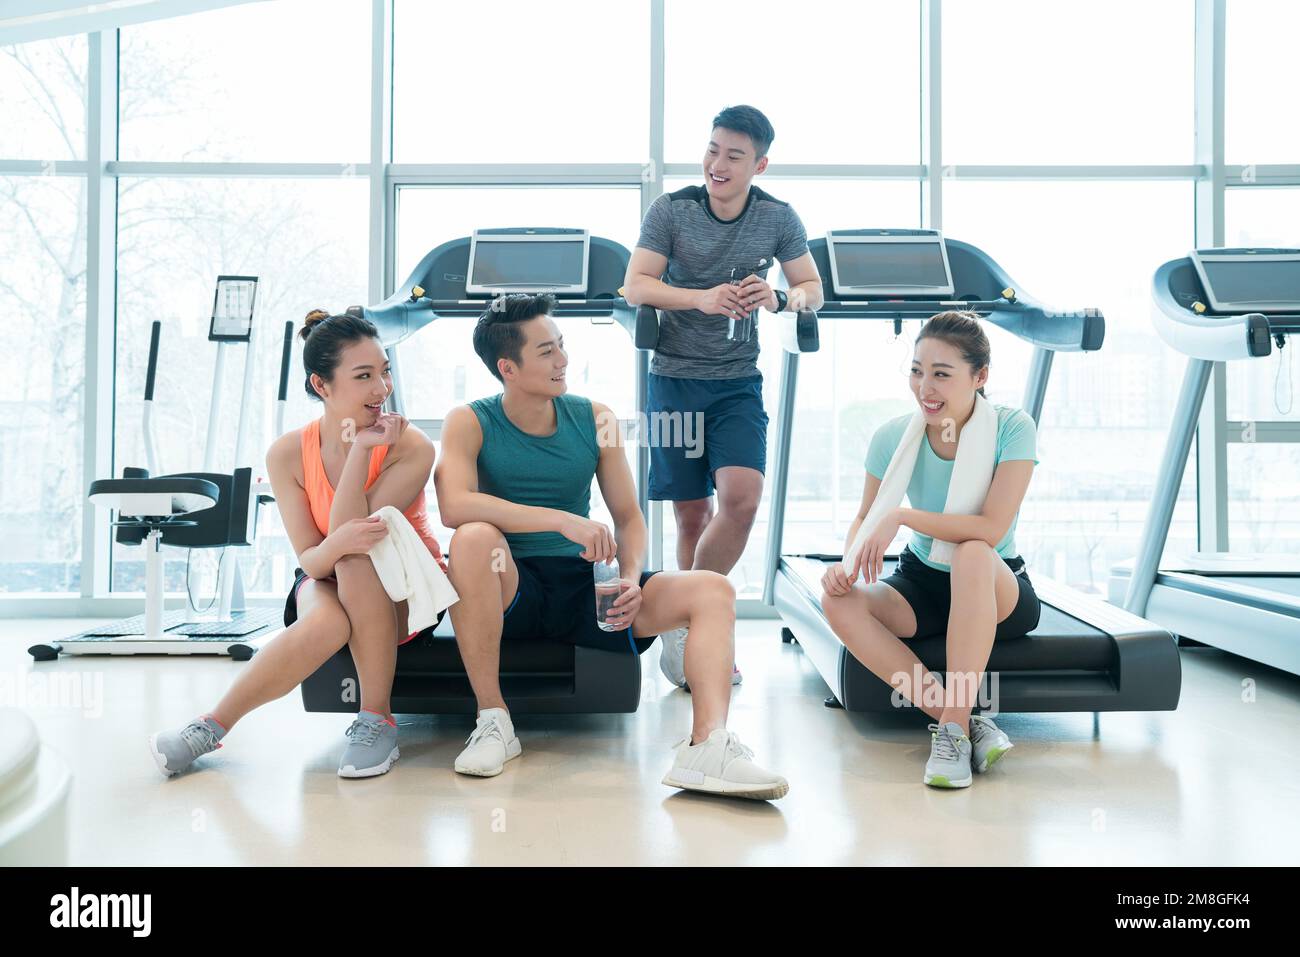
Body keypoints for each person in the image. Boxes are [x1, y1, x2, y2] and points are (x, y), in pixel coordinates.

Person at [433, 293, 788, 800]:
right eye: (546, 352)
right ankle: (494, 722)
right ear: (507, 367)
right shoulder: (469, 420)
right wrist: (562, 520)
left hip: (584, 583)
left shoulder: (594, 416)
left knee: (712, 590)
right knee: (472, 539)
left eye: (562, 346)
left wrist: (630, 574)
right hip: (510, 584)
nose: (563, 361)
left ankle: (707, 746)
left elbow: (628, 518)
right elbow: (455, 506)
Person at [149, 309, 447, 779]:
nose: (382, 388)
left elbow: (358, 531)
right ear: (322, 385)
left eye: (385, 371)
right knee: (329, 613)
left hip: (405, 583)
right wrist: (340, 532)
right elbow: (311, 554)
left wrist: (365, 448)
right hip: (325, 569)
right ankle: (208, 727)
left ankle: (377, 718)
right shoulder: (288, 452)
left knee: (355, 555)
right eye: (364, 376)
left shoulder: (411, 445)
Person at [624, 103, 824, 689]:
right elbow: (636, 283)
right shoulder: (671, 210)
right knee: (692, 513)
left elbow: (811, 286)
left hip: (738, 382)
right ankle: (696, 626)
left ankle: (685, 623)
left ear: (759, 164)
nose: (718, 163)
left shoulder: (778, 218)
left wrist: (779, 297)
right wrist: (701, 298)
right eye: (713, 150)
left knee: (741, 499)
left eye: (734, 155)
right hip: (673, 379)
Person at [820, 312, 1042, 789]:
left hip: (995, 581)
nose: (925, 386)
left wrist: (901, 517)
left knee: (972, 553)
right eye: (917, 371)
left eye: (942, 373)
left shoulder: (1012, 428)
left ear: (980, 377)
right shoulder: (892, 437)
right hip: (922, 581)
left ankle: (951, 734)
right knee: (837, 600)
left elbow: (990, 526)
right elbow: (865, 515)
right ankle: (958, 722)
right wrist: (848, 562)